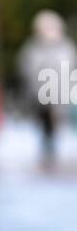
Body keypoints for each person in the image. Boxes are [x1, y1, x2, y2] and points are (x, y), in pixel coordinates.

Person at [18, 10, 76, 165]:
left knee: (54, 122)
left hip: (58, 94)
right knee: (44, 122)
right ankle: (47, 147)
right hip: (40, 95)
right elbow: (28, 70)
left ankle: (50, 147)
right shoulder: (33, 49)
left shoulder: (66, 48)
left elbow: (69, 70)